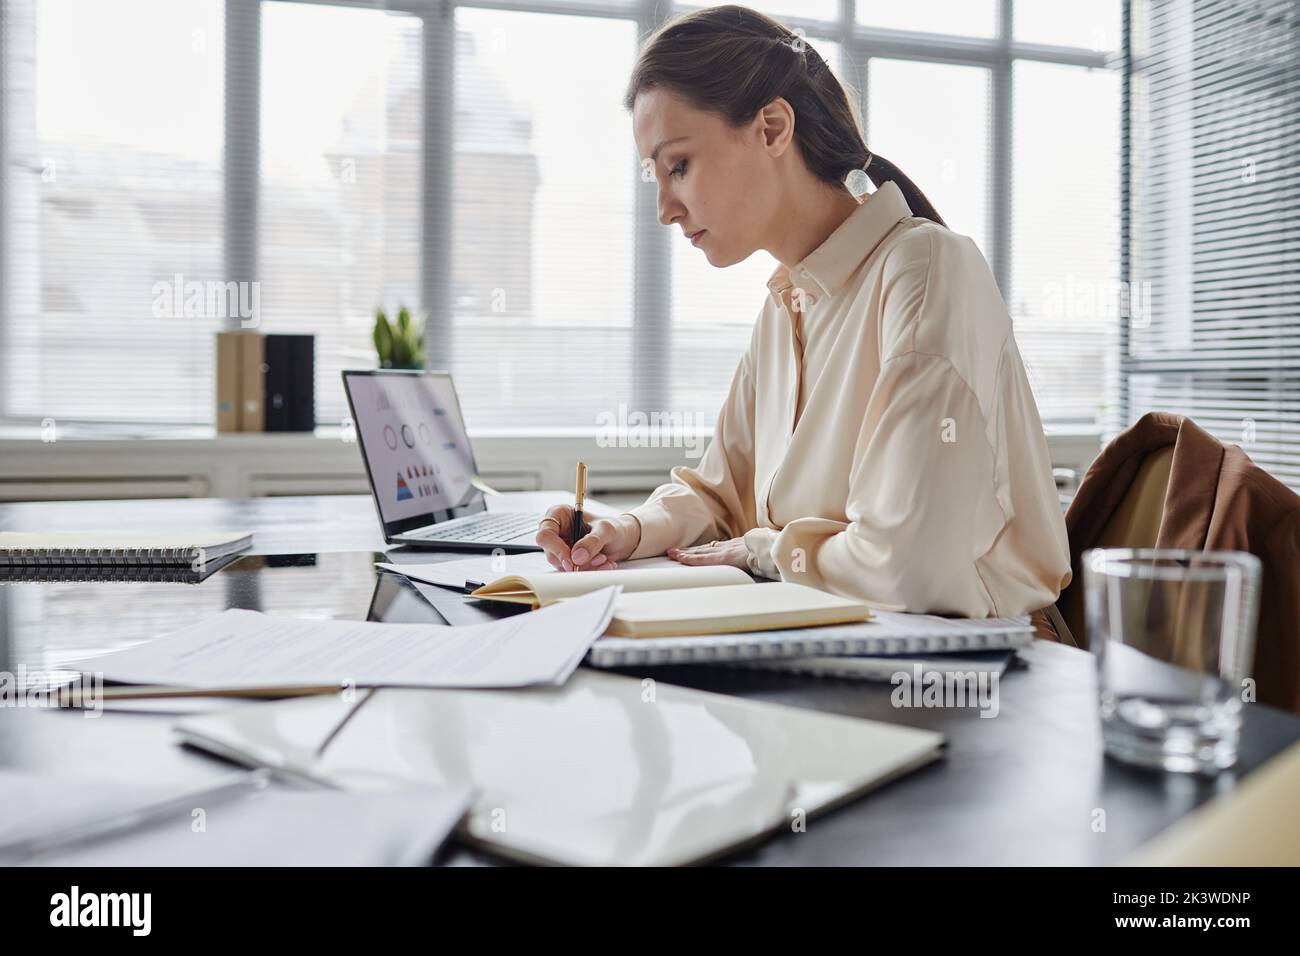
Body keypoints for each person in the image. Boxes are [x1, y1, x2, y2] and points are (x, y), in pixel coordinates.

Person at [535, 4, 1071, 617]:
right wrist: (625, 530)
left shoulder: (924, 271)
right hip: (848, 641)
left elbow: (906, 564)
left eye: (678, 165)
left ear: (771, 127)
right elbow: (717, 497)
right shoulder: (786, 305)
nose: (665, 209)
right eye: (653, 175)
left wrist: (763, 551)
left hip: (978, 674)